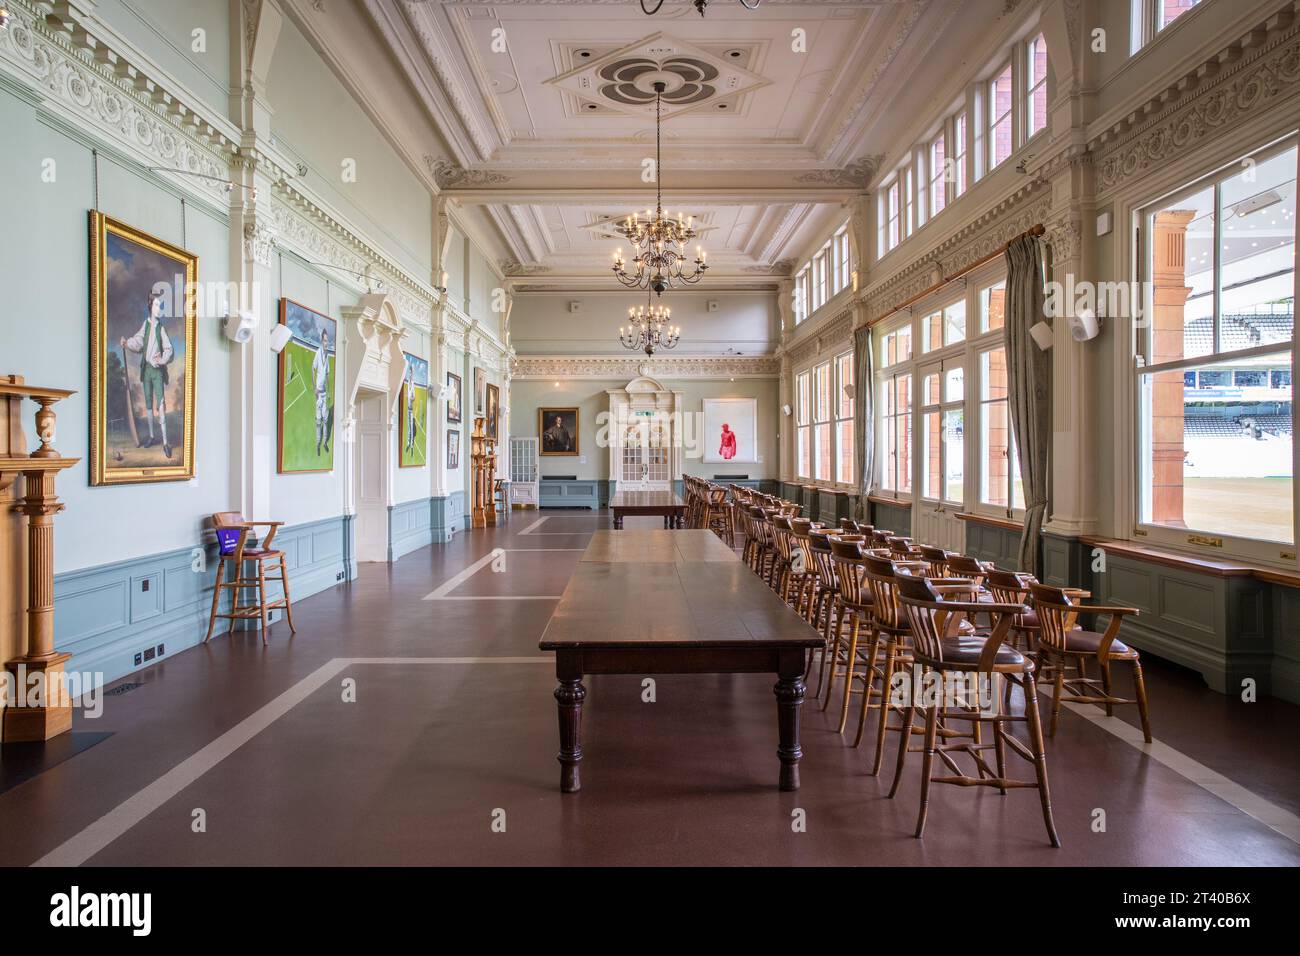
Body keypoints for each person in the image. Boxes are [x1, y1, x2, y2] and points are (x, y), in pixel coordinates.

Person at [120, 290, 174, 458]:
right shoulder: (146, 325)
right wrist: (126, 343)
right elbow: (137, 340)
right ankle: (152, 437)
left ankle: (165, 442)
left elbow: (169, 349)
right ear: (150, 305)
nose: (159, 308)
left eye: (161, 305)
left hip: (157, 372)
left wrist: (161, 360)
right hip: (146, 371)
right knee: (149, 406)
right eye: (157, 305)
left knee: (161, 406)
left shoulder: (161, 328)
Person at [314, 326, 332, 456]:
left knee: (325, 422)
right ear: (321, 340)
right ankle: (318, 444)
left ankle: (325, 442)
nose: (326, 343)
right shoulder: (318, 353)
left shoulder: (327, 356)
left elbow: (328, 375)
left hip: (325, 393)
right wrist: (314, 387)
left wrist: (330, 391)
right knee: (318, 421)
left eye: (327, 341)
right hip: (319, 393)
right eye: (325, 340)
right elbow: (312, 369)